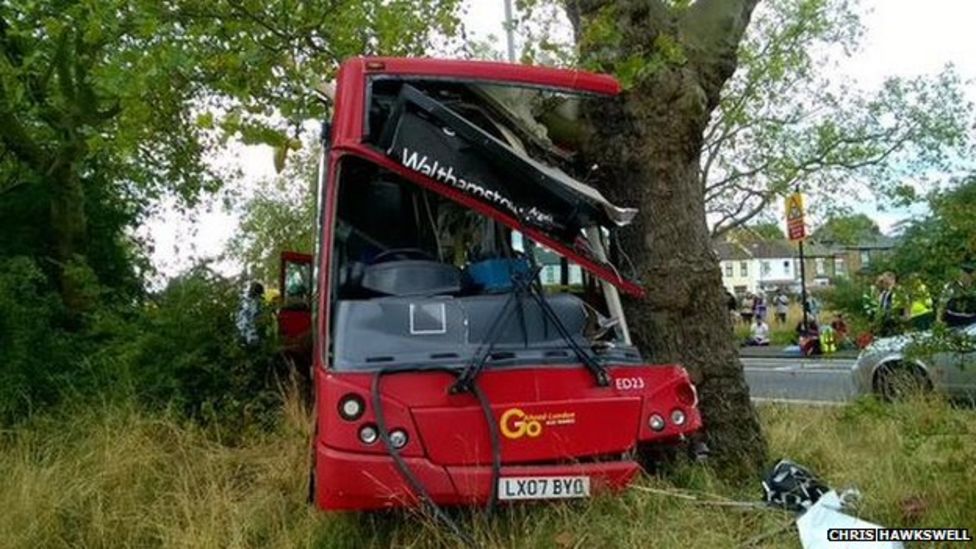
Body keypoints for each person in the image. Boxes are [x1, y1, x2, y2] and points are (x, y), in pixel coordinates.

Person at [943, 261, 976, 327]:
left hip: (972, 321)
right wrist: (939, 322)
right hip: (953, 321)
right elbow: (942, 304)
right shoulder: (951, 286)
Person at [236, 281, 265, 346]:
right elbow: (255, 317)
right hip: (250, 333)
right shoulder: (255, 303)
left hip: (241, 330)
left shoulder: (242, 300)